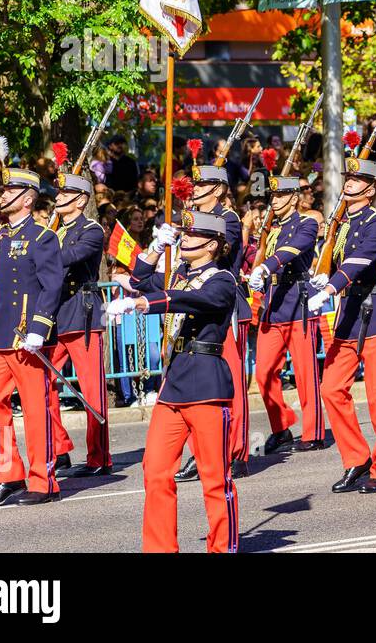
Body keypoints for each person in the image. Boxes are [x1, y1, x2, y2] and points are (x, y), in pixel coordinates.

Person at [106, 211, 240, 553]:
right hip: (174, 383)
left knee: (214, 477)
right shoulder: (180, 275)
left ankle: (223, 548)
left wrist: (144, 302)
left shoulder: (222, 279)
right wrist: (155, 246)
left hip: (207, 383)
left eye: (191, 235)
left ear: (211, 245)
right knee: (156, 471)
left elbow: (194, 300)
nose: (184, 239)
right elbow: (139, 278)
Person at [0, 157, 67, 507]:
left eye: (11, 189)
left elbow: (51, 286)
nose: (4, 194)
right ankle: (9, 475)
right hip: (1, 336)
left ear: (27, 198)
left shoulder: (43, 237)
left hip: (29, 337)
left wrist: (40, 328)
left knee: (35, 408)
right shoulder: (1, 238)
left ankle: (44, 482)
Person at [307, 155, 376, 494]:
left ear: (371, 189)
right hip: (349, 312)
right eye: (348, 178)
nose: (349, 183)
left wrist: (331, 287)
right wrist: (321, 276)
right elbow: (333, 259)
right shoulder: (342, 223)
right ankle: (356, 457)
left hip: (375, 313)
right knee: (331, 387)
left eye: (357, 180)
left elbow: (360, 260)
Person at [170, 163, 251, 481]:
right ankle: (201, 452)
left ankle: (238, 452)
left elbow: (215, 255)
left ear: (217, 190)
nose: (194, 191)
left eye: (200, 186)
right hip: (195, 307)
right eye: (193, 186)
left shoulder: (228, 220)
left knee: (231, 385)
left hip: (224, 307)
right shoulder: (195, 222)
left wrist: (183, 242)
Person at [248, 175, 322, 454]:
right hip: (272, 304)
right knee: (264, 373)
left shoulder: (307, 222)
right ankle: (281, 427)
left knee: (305, 372)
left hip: (296, 301)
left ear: (293, 198)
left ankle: (313, 431)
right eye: (273, 197)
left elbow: (296, 248)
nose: (275, 201)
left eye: (280, 196)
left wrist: (267, 266)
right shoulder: (270, 228)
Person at [46, 172, 111, 478]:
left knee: (91, 391)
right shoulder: (54, 232)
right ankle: (59, 449)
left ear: (80, 200)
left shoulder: (91, 229)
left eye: (64, 193)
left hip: (82, 313)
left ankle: (99, 457)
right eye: (58, 193)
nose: (57, 198)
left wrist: (40, 250)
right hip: (56, 315)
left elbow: (70, 257)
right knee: (43, 384)